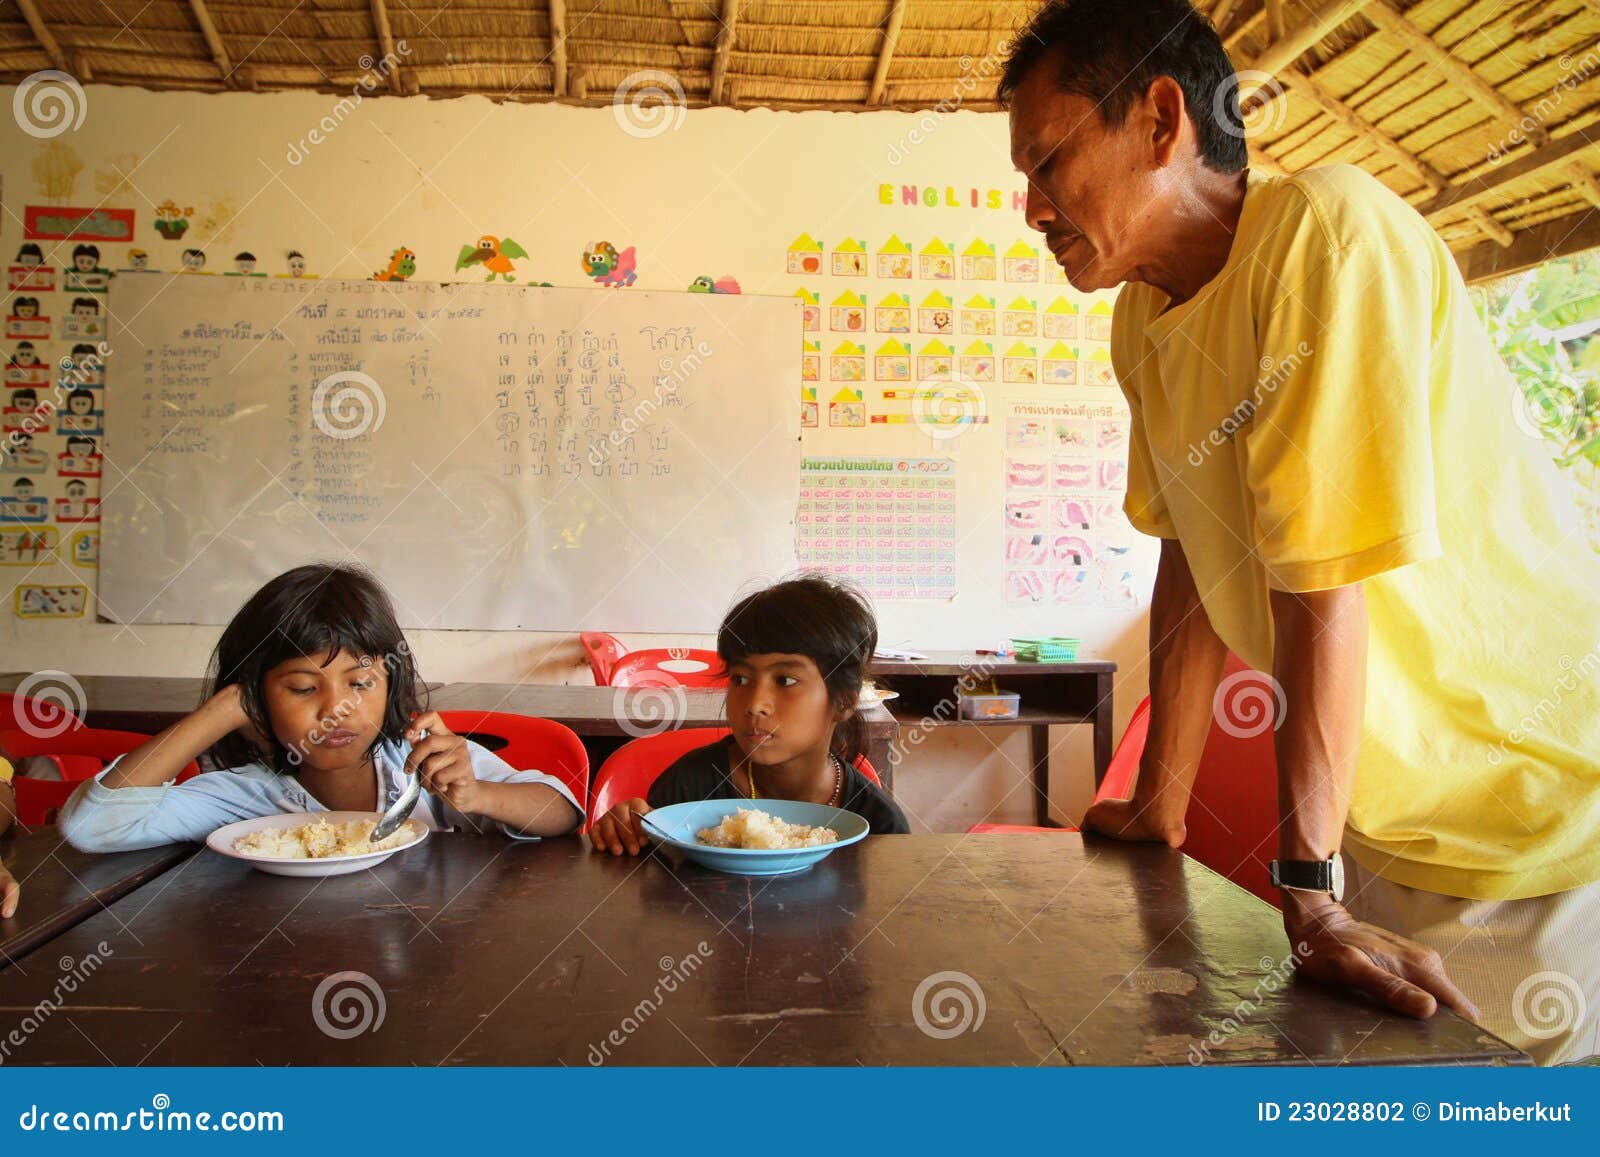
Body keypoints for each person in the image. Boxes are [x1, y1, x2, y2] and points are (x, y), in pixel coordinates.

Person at [1002, 0, 1600, 1063]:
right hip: (1384, 816)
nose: (1031, 208)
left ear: (1158, 120)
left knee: (1511, 1110)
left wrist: (1306, 888)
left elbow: (1321, 586)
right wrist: (1158, 805)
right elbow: (1185, 552)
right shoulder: (1142, 319)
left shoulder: (1326, 230)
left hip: (1538, 806)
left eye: (1049, 163)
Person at [60, 563, 584, 851]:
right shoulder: (246, 798)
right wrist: (223, 710)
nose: (336, 710)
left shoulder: (421, 771)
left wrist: (480, 794)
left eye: (360, 682)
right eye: (303, 688)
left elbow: (560, 814)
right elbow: (92, 826)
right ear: (256, 699)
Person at [590, 575, 909, 855]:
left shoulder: (879, 824)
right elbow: (656, 895)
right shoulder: (688, 789)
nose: (755, 704)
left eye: (785, 680)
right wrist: (625, 833)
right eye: (741, 678)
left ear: (843, 701)